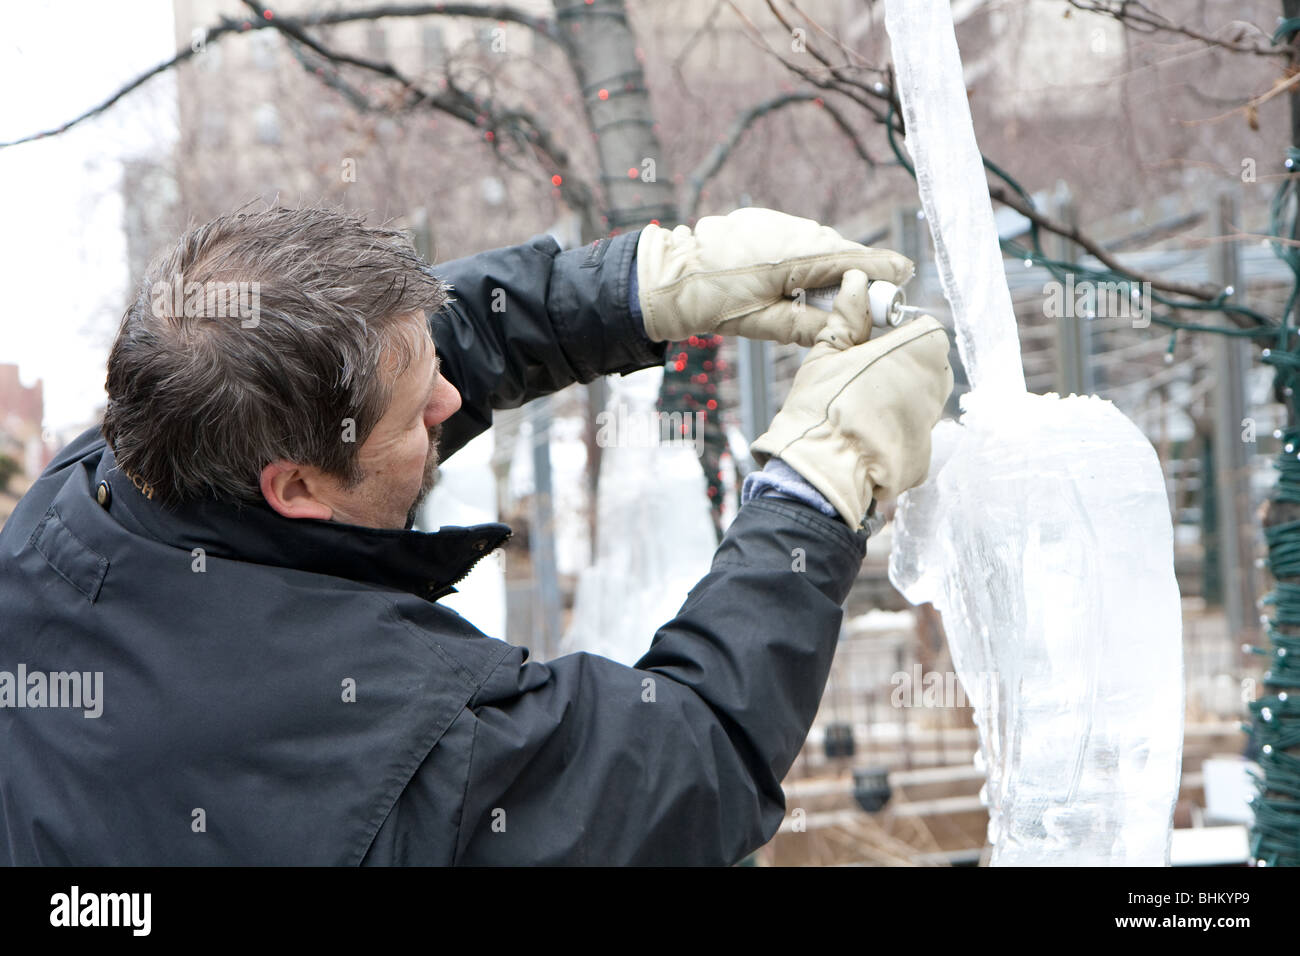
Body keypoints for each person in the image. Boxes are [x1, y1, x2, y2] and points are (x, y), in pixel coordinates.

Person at [0, 205, 952, 865]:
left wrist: (638, 285)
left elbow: (386, 367)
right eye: (421, 414)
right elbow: (691, 763)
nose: (453, 403)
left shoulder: (88, 496)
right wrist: (816, 489)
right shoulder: (398, 742)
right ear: (292, 485)